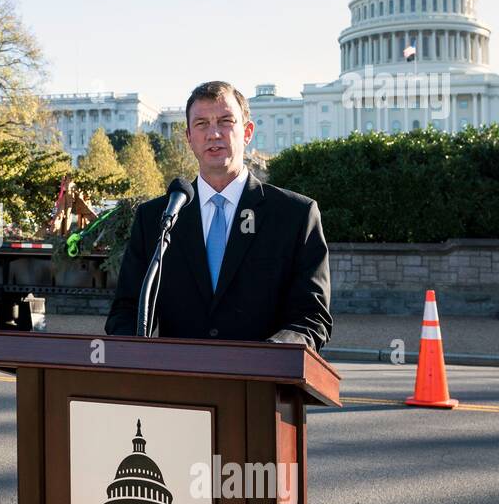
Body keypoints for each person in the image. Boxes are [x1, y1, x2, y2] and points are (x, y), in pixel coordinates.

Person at [105, 81, 332, 350]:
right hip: (178, 383)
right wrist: (135, 355)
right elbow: (127, 310)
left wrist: (271, 356)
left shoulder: (295, 215)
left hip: (262, 385)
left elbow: (312, 318)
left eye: (225, 121)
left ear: (247, 132)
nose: (214, 133)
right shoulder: (156, 217)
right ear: (189, 137)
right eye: (201, 124)